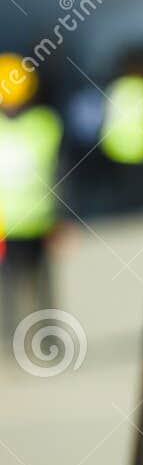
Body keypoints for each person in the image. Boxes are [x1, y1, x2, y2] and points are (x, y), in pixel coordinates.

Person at [0, 54, 63, 341]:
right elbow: (62, 174)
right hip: (39, 220)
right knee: (40, 286)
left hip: (10, 224)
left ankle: (11, 340)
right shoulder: (46, 123)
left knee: (8, 287)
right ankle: (45, 341)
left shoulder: (45, 124)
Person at [100, 70, 143, 211]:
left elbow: (107, 113)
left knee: (122, 179)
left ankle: (124, 205)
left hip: (117, 142)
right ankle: (139, 204)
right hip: (138, 143)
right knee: (138, 179)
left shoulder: (117, 87)